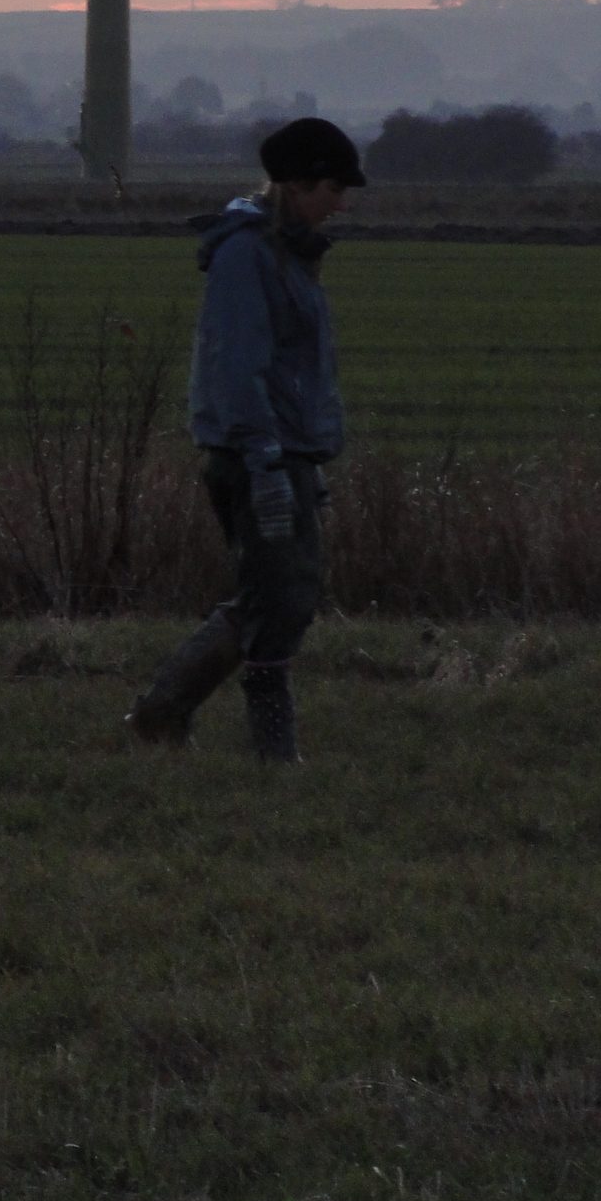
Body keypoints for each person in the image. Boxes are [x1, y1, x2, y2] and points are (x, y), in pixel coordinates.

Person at [125, 116, 363, 763]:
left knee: (283, 596)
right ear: (297, 185)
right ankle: (179, 719)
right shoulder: (244, 256)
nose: (342, 206)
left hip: (285, 454)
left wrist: (305, 462)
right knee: (274, 597)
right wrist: (263, 466)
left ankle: (184, 721)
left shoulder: (286, 254)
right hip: (254, 455)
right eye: (333, 190)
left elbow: (294, 373)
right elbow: (238, 368)